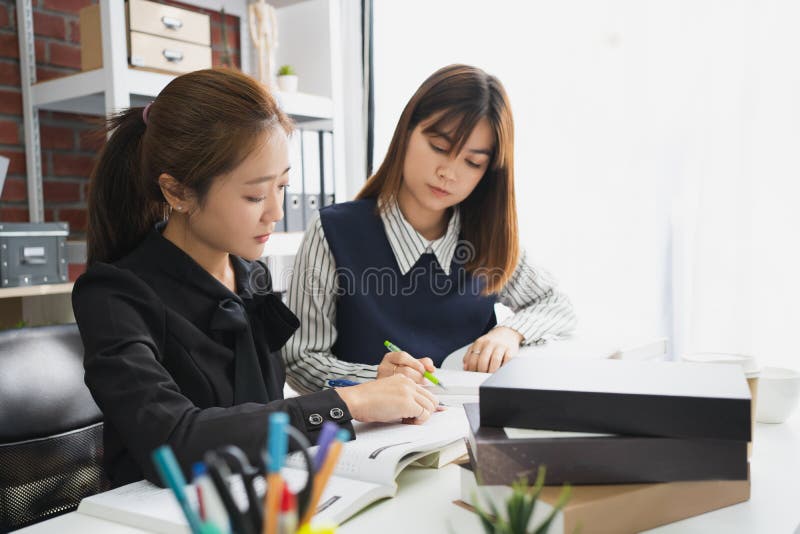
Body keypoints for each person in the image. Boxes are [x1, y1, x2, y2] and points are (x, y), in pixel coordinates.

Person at [72, 68, 438, 488]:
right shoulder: (115, 295)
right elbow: (171, 444)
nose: (276, 212)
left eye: (282, 186)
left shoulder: (250, 275)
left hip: (258, 498)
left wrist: (370, 387)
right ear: (177, 193)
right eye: (254, 195)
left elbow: (260, 412)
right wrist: (348, 402)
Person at [284, 64, 577, 394]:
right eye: (439, 147)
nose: (449, 172)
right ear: (406, 132)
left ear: (488, 172)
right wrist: (376, 381)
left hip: (465, 429)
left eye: (473, 162)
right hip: (372, 434)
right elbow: (300, 361)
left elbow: (556, 305)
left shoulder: (487, 238)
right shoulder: (334, 232)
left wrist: (511, 332)